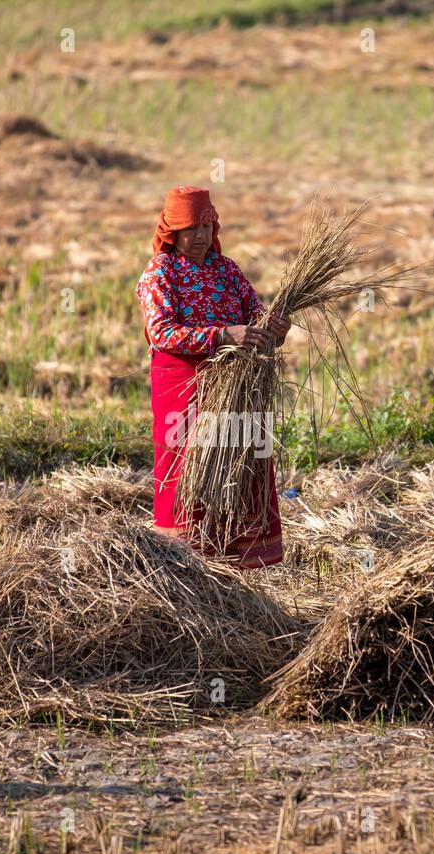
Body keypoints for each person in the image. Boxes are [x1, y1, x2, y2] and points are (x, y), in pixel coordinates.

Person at [136, 185, 291, 568]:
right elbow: (161, 333)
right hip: (185, 389)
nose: (201, 236)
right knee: (188, 469)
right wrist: (222, 335)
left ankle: (241, 566)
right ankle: (189, 567)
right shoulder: (160, 272)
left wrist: (274, 328)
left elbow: (254, 320)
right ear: (172, 232)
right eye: (191, 229)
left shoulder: (227, 270)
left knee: (243, 463)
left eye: (207, 226)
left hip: (236, 389)